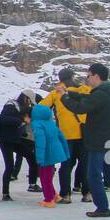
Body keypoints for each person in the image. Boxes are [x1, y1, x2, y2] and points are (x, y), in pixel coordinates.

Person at [60, 63, 110, 218]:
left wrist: (64, 97)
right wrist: (70, 93)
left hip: (99, 141)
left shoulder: (100, 94)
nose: (87, 78)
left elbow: (80, 107)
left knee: (94, 175)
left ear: (96, 76)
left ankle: (102, 207)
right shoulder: (109, 92)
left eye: (89, 75)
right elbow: (88, 98)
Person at [40, 68, 88, 204]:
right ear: (73, 76)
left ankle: (66, 194)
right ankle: (87, 193)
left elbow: (41, 108)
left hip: (66, 134)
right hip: (85, 132)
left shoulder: (56, 93)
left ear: (60, 79)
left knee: (66, 165)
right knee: (85, 164)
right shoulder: (84, 90)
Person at [31, 103, 69, 207]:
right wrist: (66, 151)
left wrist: (40, 158)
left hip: (47, 154)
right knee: (47, 176)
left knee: (44, 177)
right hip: (55, 152)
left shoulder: (37, 124)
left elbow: (40, 142)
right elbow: (61, 137)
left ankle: (49, 200)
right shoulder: (50, 122)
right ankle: (54, 195)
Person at [0, 100, 25, 201]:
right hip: (17, 142)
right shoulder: (18, 118)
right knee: (31, 158)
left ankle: (5, 193)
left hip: (4, 143)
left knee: (8, 166)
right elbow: (23, 132)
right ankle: (33, 182)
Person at [14, 93, 41, 192]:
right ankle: (32, 184)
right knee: (33, 161)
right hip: (29, 138)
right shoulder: (33, 110)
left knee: (24, 159)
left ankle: (14, 174)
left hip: (25, 138)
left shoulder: (22, 109)